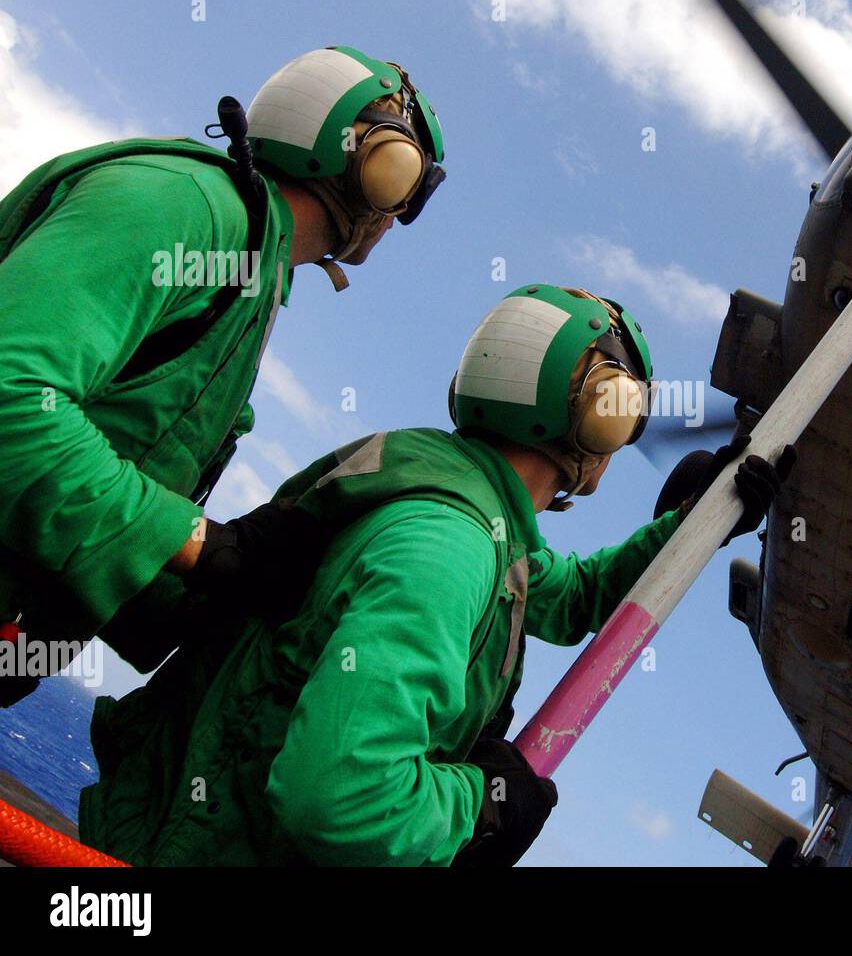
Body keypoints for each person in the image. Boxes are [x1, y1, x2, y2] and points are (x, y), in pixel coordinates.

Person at [78, 284, 795, 866]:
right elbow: (337, 798)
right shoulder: (448, 552)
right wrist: (480, 805)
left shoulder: (460, 512)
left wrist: (687, 530)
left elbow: (571, 598)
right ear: (599, 417)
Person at [0, 46, 446, 705]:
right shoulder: (184, 207)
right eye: (413, 190)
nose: (399, 218)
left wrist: (226, 605)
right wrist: (198, 545)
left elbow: (133, 467)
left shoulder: (244, 277)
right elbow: (13, 398)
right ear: (383, 167)